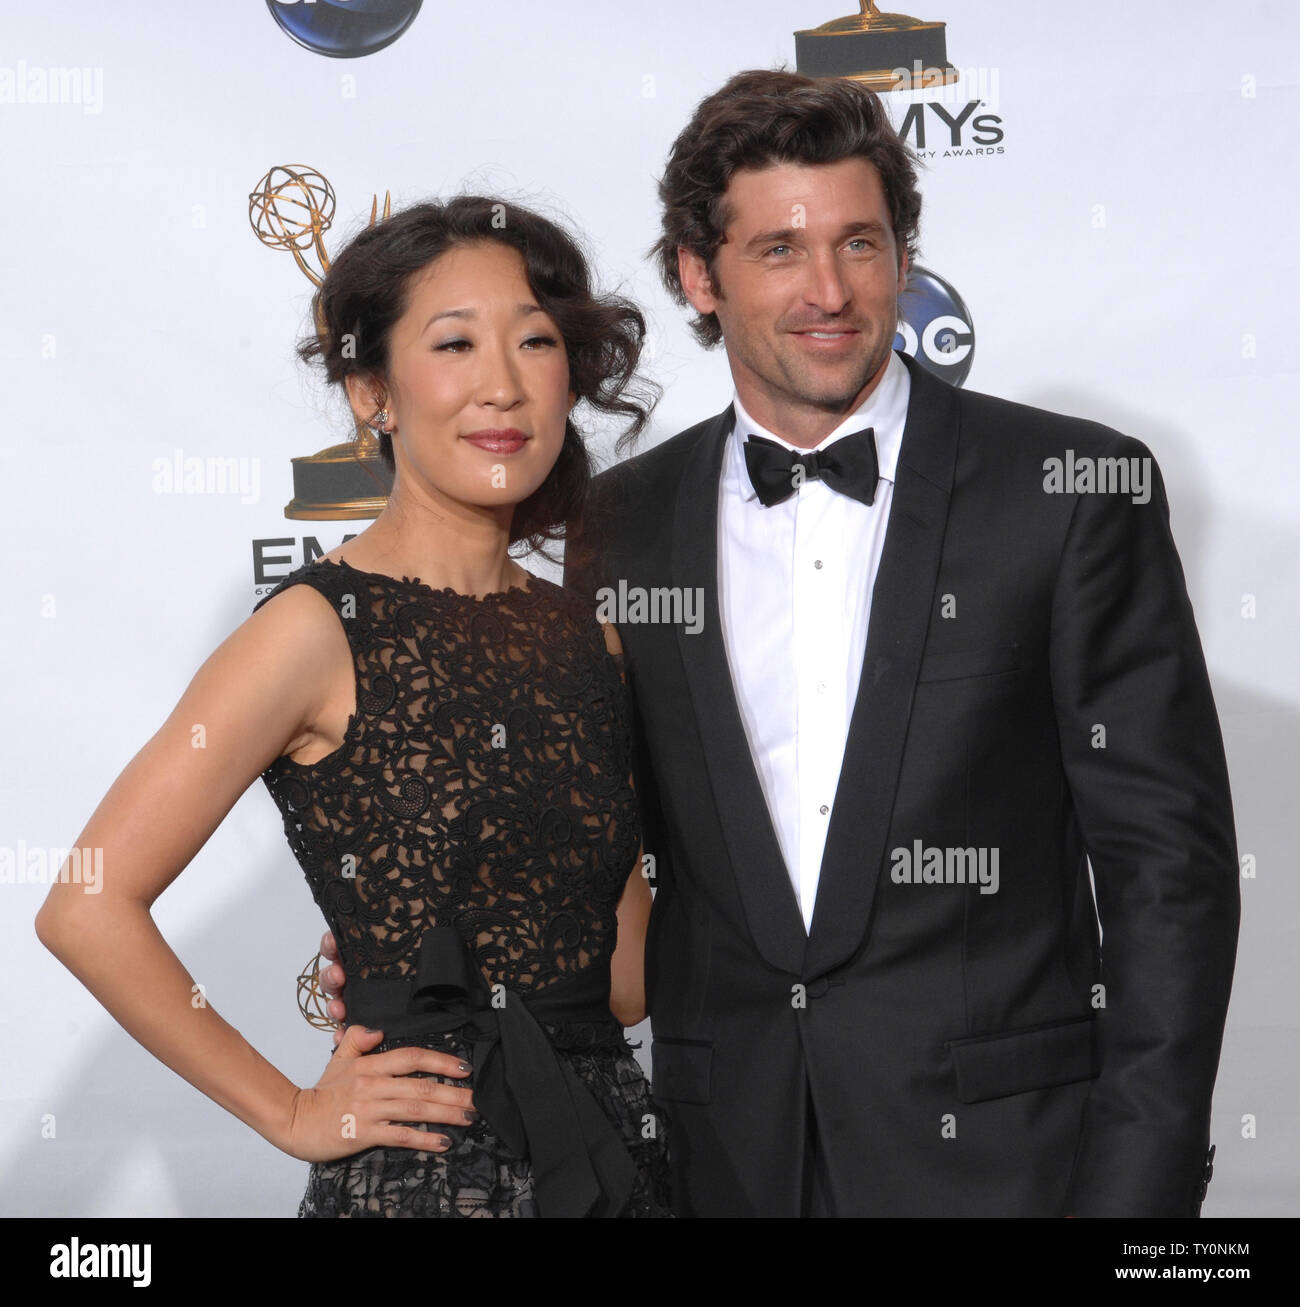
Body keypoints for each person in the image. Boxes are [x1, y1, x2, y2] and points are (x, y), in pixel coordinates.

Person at [323, 69, 1240, 1217]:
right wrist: (423, 933)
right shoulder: (623, 521)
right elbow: (603, 836)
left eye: (860, 244)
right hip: (719, 1163)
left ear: (904, 258)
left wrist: (1139, 1194)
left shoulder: (1063, 490)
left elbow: (1170, 870)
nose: (829, 290)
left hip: (1011, 1165)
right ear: (700, 276)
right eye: (778, 251)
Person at [36, 195, 672, 1218]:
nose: (502, 384)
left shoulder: (588, 637)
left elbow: (624, 978)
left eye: (536, 341)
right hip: (425, 1173)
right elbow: (85, 904)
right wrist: (291, 1109)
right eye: (455, 343)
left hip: (614, 1159)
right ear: (371, 389)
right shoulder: (313, 628)